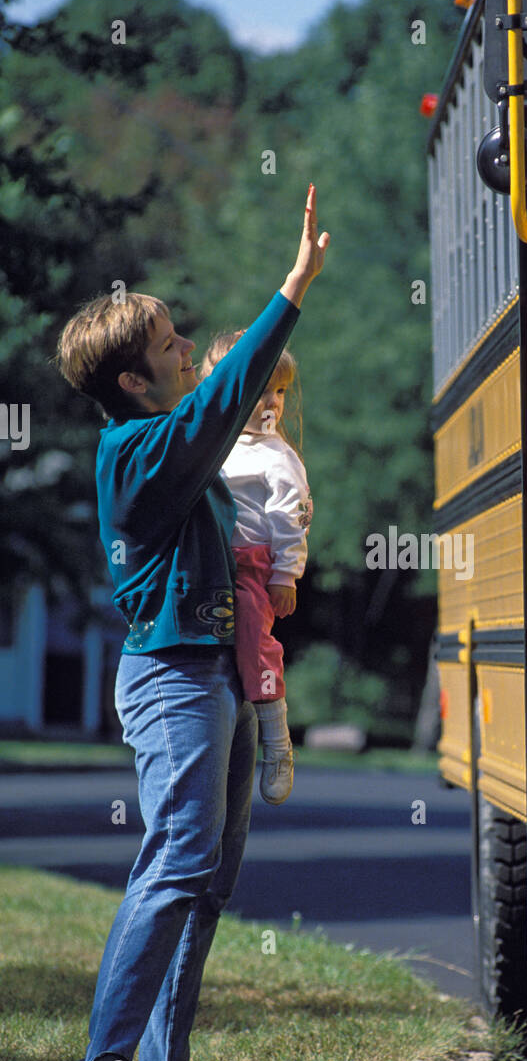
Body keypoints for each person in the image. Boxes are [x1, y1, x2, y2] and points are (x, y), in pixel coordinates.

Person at [55, 186, 329, 1061]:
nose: (184, 348)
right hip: (173, 678)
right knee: (177, 859)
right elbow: (221, 406)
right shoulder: (140, 451)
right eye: (169, 343)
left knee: (207, 875)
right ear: (135, 380)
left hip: (216, 671)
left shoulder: (171, 446)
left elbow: (230, 463)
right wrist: (292, 287)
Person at [198, 335, 312, 804]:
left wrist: (285, 574)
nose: (273, 402)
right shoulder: (210, 441)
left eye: (281, 391)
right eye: (262, 387)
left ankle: (278, 740)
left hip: (251, 566)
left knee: (252, 639)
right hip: (207, 563)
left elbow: (292, 515)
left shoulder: (277, 456)